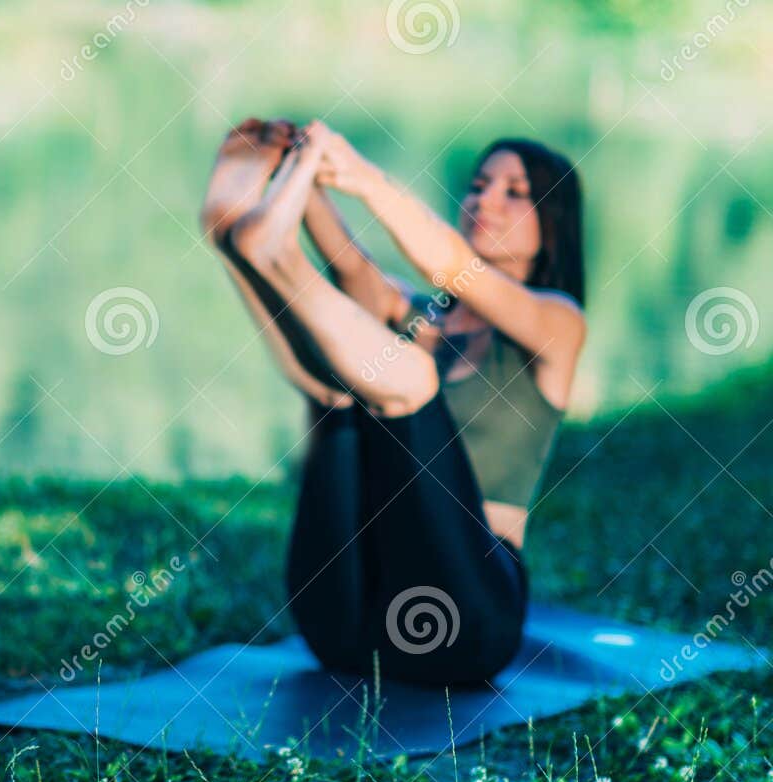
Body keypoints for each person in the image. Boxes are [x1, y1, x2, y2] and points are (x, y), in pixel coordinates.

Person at [201, 119, 585, 685]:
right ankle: (236, 240)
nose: (486, 200)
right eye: (479, 185)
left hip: (467, 623)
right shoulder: (420, 314)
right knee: (338, 388)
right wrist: (299, 167)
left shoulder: (556, 323)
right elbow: (355, 268)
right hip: (346, 625)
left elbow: (452, 266)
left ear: (551, 226)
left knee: (403, 375)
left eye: (515, 193)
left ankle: (263, 251)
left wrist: (364, 176)